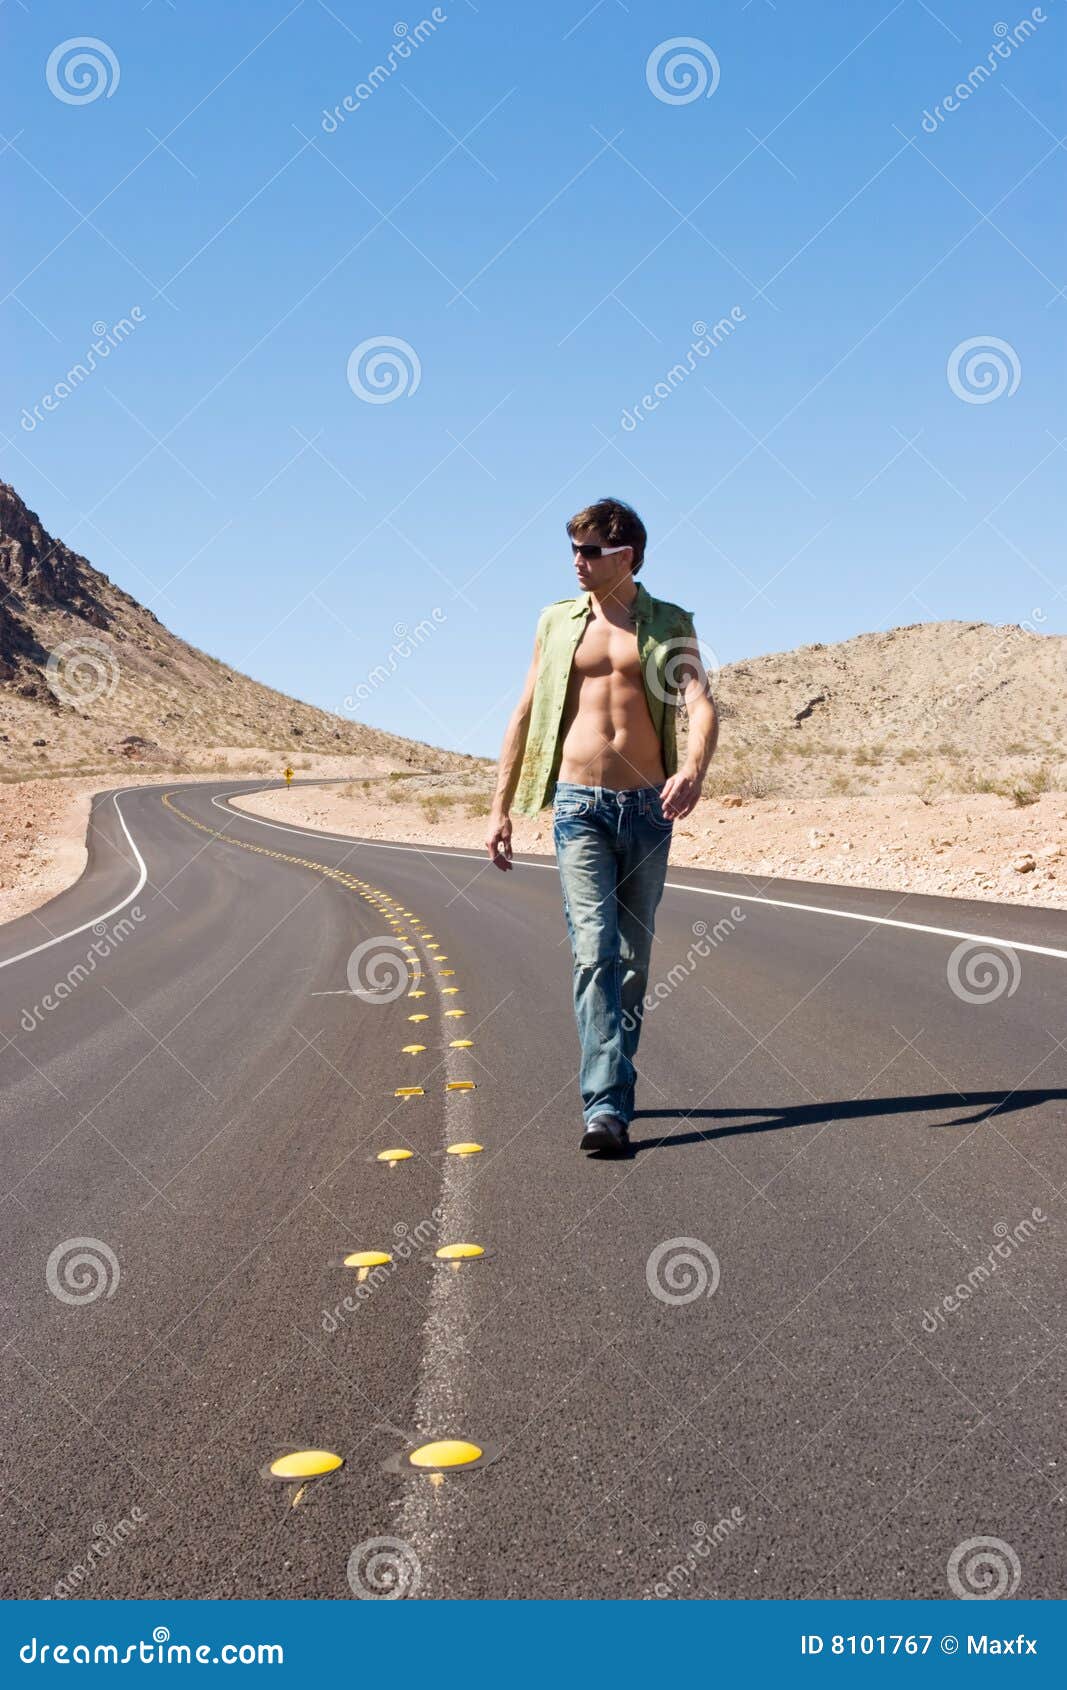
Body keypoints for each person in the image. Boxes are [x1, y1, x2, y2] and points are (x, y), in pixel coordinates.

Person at [486, 497, 718, 1156]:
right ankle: (606, 1108)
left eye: (590, 551)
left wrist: (693, 771)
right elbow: (525, 712)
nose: (577, 563)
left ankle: (610, 1081)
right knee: (594, 953)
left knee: (632, 963)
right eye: (573, 550)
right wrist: (498, 806)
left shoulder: (668, 623)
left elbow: (699, 705)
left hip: (647, 808)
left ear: (628, 556)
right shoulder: (557, 624)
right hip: (576, 807)